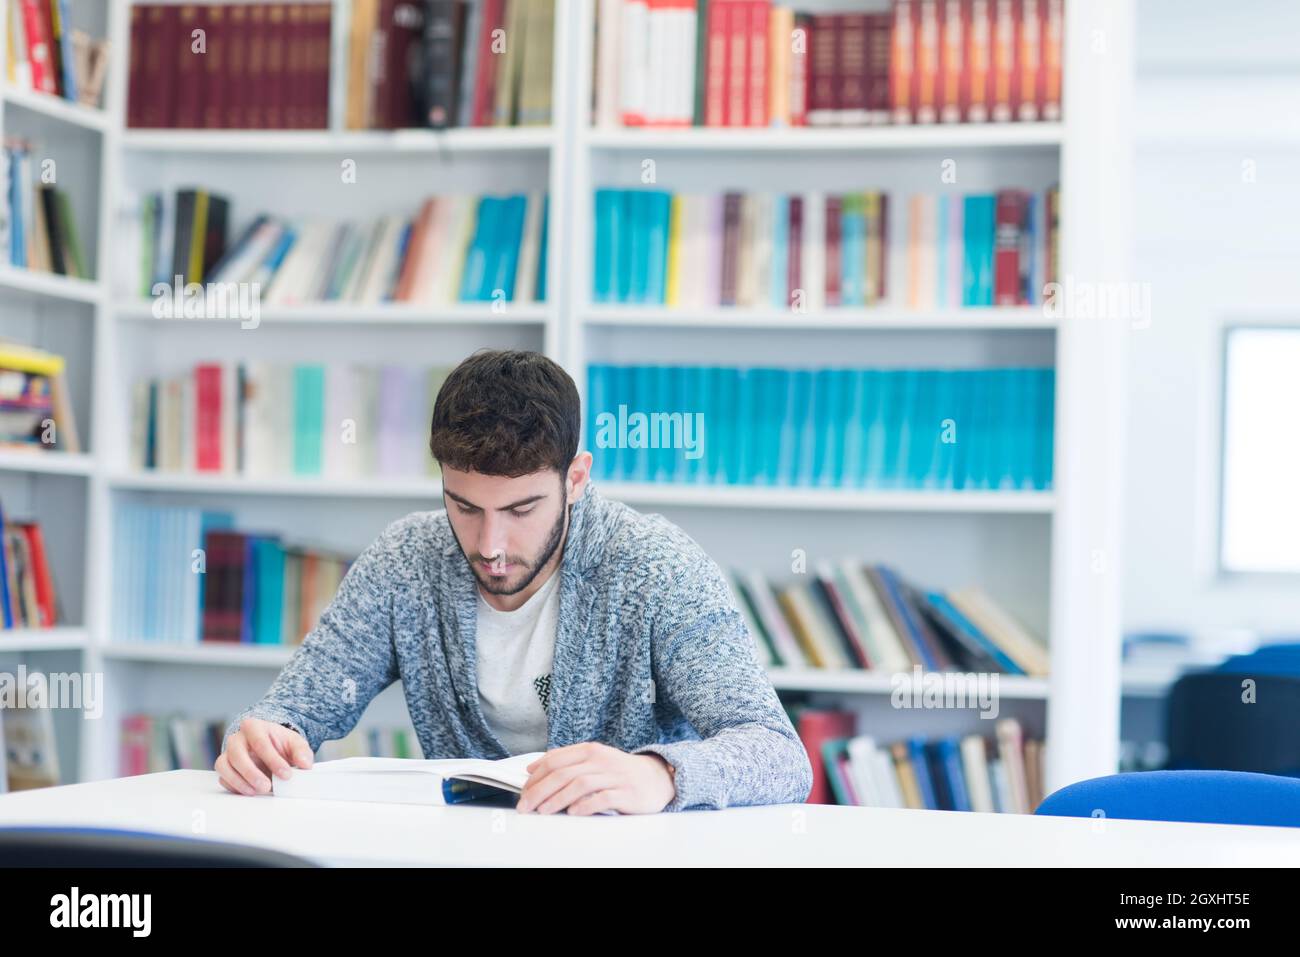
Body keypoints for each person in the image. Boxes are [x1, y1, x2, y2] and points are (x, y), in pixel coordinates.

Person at [216, 349, 813, 814]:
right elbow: (289, 711)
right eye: (465, 507)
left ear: (575, 479)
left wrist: (660, 774)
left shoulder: (656, 568)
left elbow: (779, 755)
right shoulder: (405, 562)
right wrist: (264, 739)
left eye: (521, 511)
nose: (489, 546)